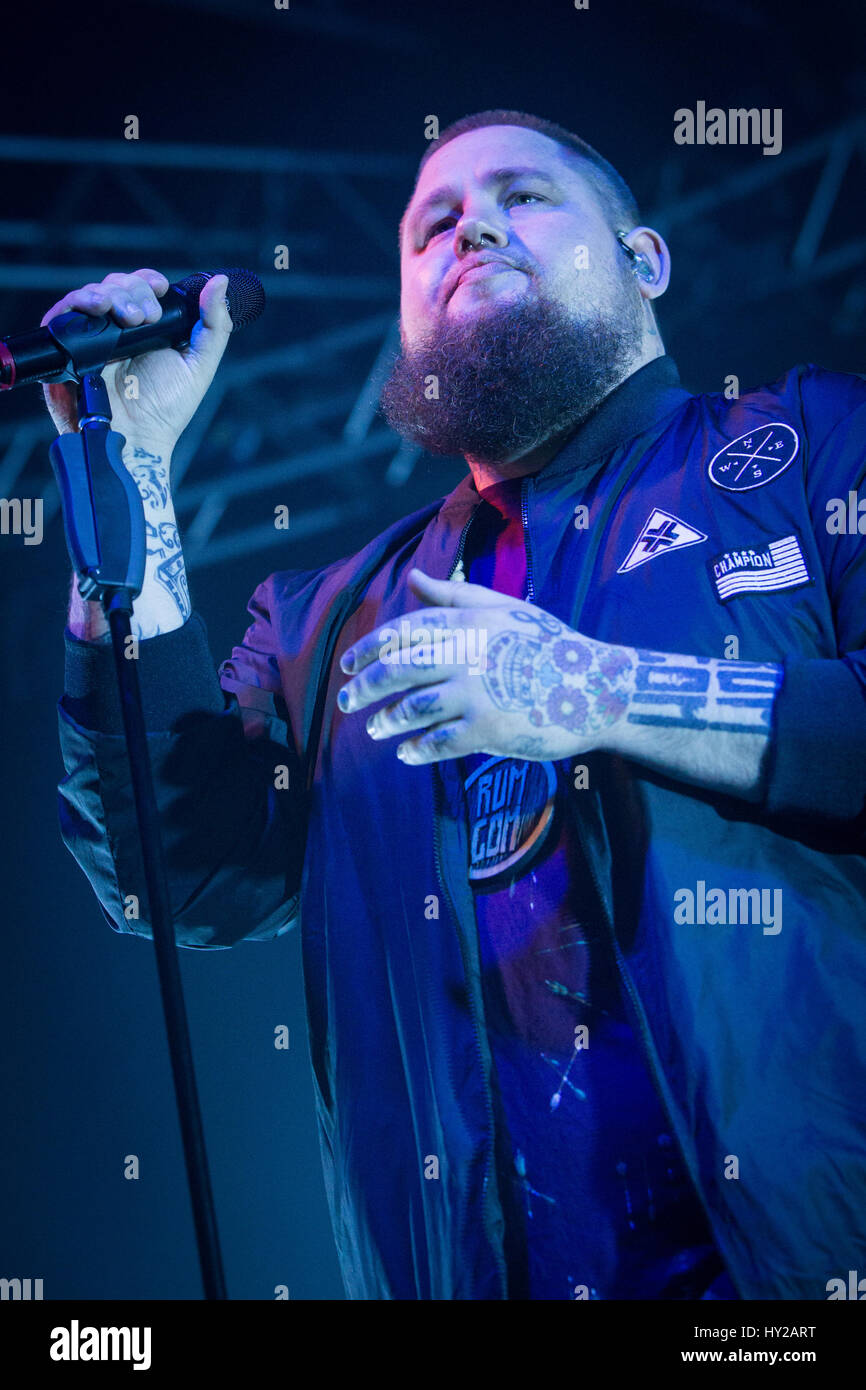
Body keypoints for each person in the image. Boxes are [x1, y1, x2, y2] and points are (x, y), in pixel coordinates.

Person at [49, 109, 866, 1301]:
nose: (467, 223)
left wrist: (599, 689)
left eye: (521, 197)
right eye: (430, 223)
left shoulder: (809, 448)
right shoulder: (328, 616)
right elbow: (173, 872)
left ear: (644, 261)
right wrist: (126, 473)